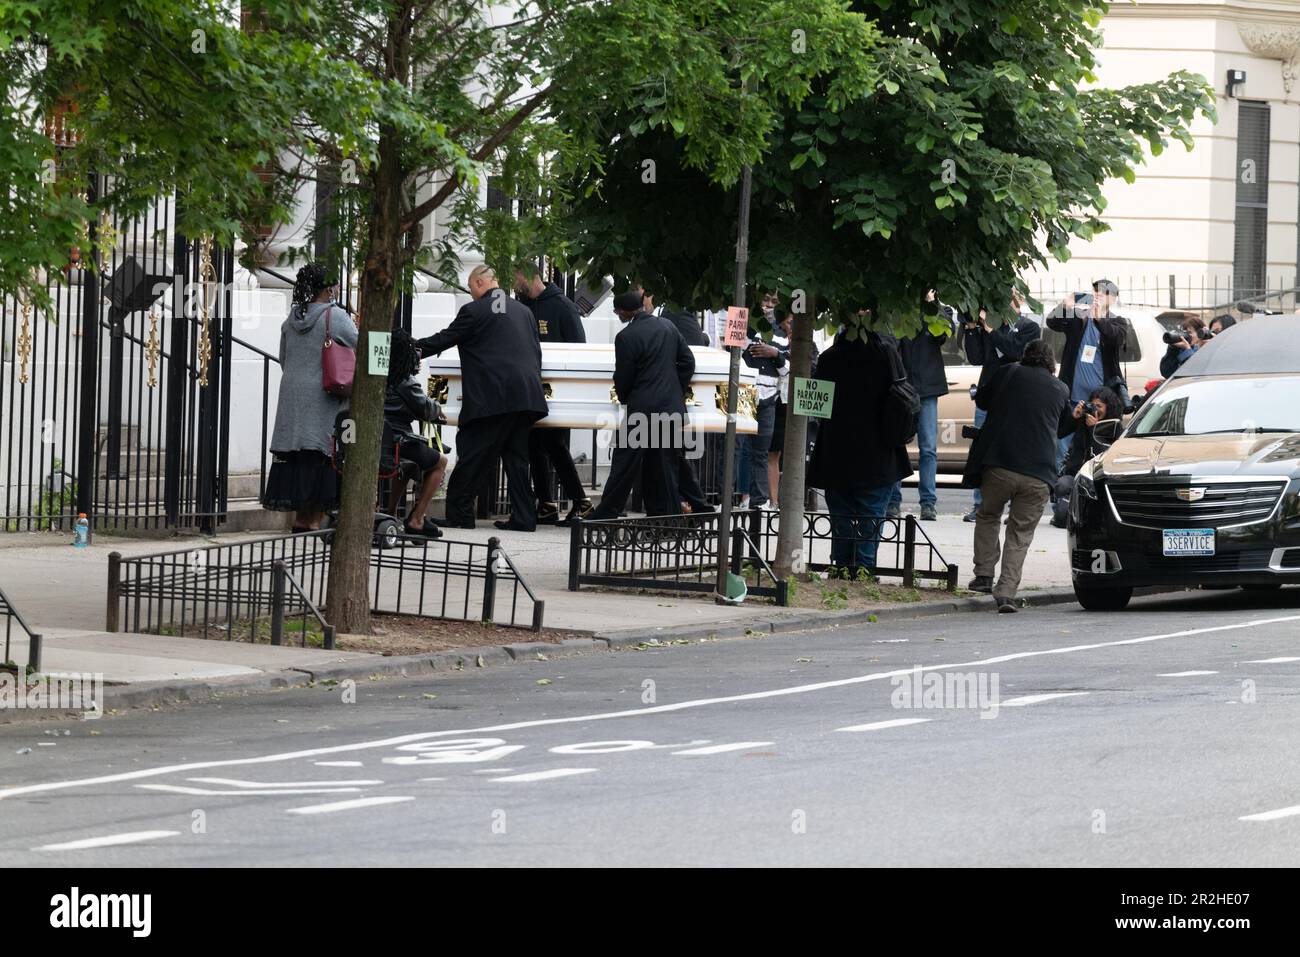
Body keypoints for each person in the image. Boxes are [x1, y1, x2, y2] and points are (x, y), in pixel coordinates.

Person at [416, 265, 547, 532]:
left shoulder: (473, 311)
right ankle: (524, 517)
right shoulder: (524, 312)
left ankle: (460, 514)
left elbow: (444, 339)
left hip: (492, 398)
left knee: (472, 453)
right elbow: (536, 353)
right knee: (516, 458)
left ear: (478, 283)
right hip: (527, 396)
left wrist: (411, 350)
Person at [963, 339, 1070, 612]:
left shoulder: (1009, 372)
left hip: (1001, 465)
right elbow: (1061, 428)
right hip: (1039, 475)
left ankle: (984, 576)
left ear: (1026, 356)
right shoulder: (1060, 389)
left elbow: (984, 401)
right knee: (1020, 533)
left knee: (988, 516)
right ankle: (1007, 593)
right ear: (1051, 362)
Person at [807, 329, 913, 574]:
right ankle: (864, 568)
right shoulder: (885, 355)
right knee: (872, 514)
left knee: (841, 515)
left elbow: (818, 406)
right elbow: (902, 396)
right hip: (879, 451)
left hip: (836, 451)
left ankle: (843, 565)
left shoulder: (829, 358)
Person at [263, 263, 358, 532]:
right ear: (329, 289)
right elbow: (359, 344)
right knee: (320, 453)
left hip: (291, 393)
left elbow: (284, 358)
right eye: (336, 285)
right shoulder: (336, 317)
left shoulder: (292, 317)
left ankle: (300, 519)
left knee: (295, 454)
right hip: (322, 393)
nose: (338, 289)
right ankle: (313, 520)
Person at [587, 291, 695, 520]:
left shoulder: (626, 337)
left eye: (617, 312)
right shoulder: (668, 327)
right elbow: (687, 361)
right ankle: (665, 518)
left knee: (624, 464)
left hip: (642, 410)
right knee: (665, 466)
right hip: (671, 408)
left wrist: (627, 397)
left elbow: (623, 377)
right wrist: (675, 388)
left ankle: (606, 513)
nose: (617, 316)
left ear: (625, 311)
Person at [513, 269, 594, 525]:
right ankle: (546, 503)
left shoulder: (563, 307)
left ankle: (581, 501)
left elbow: (578, 350)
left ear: (529, 275)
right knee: (534, 445)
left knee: (555, 445)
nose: (513, 285)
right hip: (530, 388)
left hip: (557, 391)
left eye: (515, 278)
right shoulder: (521, 305)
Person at [960, 292, 1042, 522]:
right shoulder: (990, 327)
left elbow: (1015, 351)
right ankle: (979, 506)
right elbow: (976, 357)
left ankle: (1014, 509)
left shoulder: (1029, 328)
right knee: (981, 448)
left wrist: (990, 331)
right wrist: (972, 328)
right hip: (988, 396)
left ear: (1020, 303)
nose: (1005, 304)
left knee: (1015, 451)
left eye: (1011, 300)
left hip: (1015, 399)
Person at [888, 289, 956, 521]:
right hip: (903, 386)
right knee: (898, 443)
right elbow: (892, 342)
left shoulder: (941, 311)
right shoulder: (900, 311)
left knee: (928, 448)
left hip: (927, 387)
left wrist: (932, 306)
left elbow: (944, 335)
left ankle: (928, 503)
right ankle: (893, 500)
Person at [1047, 278, 1129, 467]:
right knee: (1063, 444)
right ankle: (1060, 488)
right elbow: (1052, 322)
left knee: (1097, 448)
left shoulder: (1117, 322)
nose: (1097, 295)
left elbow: (1115, 338)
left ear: (1114, 298)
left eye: (1103, 293)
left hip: (1101, 404)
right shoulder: (1079, 318)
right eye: (1095, 292)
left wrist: (1099, 318)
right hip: (1073, 398)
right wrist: (1064, 306)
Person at [383, 329, 447, 538]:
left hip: (381, 441)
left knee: (408, 466)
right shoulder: (404, 381)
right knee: (440, 462)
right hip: (398, 441)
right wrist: (439, 409)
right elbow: (427, 408)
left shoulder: (375, 376)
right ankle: (417, 519)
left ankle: (390, 512)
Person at [1049, 386, 1120, 528]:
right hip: (1076, 476)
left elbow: (1104, 456)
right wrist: (1074, 417)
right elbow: (1060, 433)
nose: (1095, 409)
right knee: (1062, 487)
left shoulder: (1114, 427)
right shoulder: (1083, 422)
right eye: (1092, 405)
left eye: (1099, 406)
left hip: (1099, 480)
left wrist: (1094, 429)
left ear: (1109, 407)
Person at [743, 299, 789, 510]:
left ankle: (759, 501)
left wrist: (774, 354)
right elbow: (732, 353)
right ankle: (733, 497)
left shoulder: (781, 334)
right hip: (745, 395)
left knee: (761, 452)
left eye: (773, 301)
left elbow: (787, 370)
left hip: (769, 398)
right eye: (765, 299)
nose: (768, 305)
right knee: (737, 449)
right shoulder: (746, 326)